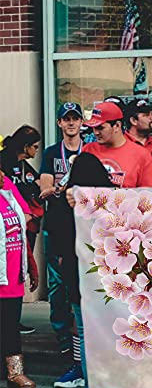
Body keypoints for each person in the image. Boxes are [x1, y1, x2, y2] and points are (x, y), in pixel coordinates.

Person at [64, 153, 131, 388]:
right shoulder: (115, 202)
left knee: (87, 337)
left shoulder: (67, 202)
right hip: (112, 276)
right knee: (116, 334)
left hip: (78, 277)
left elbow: (58, 243)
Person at [39, 102, 84, 362]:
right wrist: (56, 188)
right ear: (59, 123)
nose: (70, 123)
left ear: (81, 123)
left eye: (74, 118)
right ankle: (63, 339)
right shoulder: (51, 152)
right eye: (66, 119)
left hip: (81, 223)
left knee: (81, 282)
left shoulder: (89, 151)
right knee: (57, 284)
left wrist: (57, 188)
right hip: (56, 224)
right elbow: (46, 184)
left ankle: (82, 337)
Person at [0, 162, 38, 388]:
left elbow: (25, 220)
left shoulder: (7, 188)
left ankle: (15, 373)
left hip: (12, 270)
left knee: (10, 324)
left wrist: (31, 263)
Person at [1, 125, 42, 335]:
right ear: (25, 147)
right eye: (35, 146)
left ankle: (14, 320)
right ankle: (8, 322)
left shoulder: (24, 165)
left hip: (24, 227)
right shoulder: (4, 163)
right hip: (5, 231)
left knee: (21, 271)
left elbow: (36, 183)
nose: (36, 150)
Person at [82, 102, 152, 188]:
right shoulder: (88, 150)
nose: (96, 132)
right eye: (93, 128)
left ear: (117, 125)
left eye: (100, 128)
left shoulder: (141, 155)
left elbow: (149, 194)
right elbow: (74, 187)